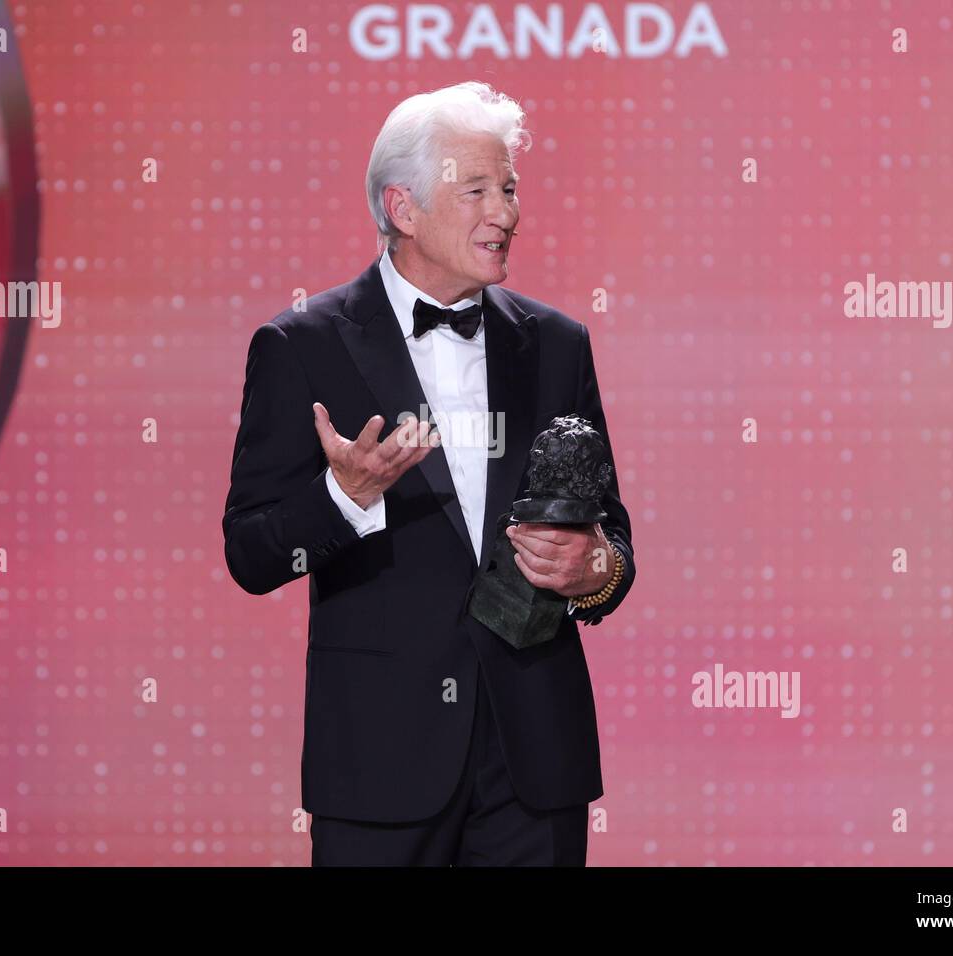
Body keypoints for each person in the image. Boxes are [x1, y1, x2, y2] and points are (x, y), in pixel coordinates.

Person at [221, 81, 634, 865]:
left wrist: (595, 569)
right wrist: (346, 495)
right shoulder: (301, 346)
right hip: (380, 764)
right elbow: (252, 555)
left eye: (509, 188)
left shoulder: (556, 344)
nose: (506, 212)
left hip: (534, 765)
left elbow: (611, 538)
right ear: (403, 208)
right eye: (476, 189)